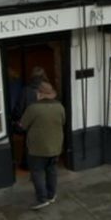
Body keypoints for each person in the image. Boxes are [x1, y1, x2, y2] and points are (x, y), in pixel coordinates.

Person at [20, 81, 65, 210]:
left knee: (37, 172)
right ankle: (51, 195)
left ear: (39, 94)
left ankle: (42, 198)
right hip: (55, 146)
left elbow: (23, 125)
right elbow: (63, 121)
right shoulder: (59, 107)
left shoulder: (33, 108)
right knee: (51, 170)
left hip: (37, 148)